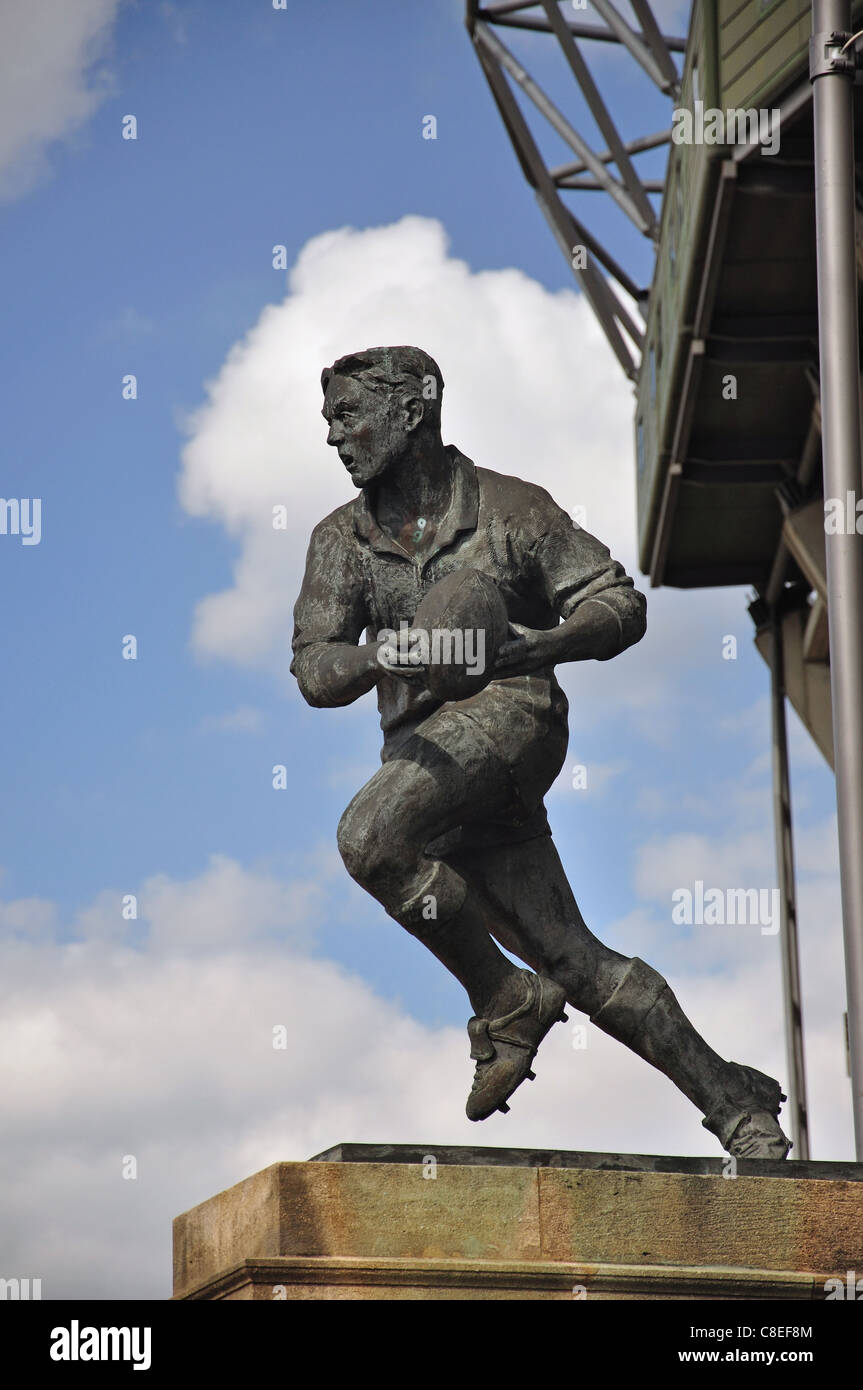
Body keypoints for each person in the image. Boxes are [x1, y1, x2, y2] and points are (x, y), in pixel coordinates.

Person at [291, 345, 791, 1159]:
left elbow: (616, 604)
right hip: (427, 764)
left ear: (412, 411)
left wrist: (539, 646)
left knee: (369, 839)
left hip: (513, 715)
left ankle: (504, 1000)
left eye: (348, 416)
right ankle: (735, 1100)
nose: (333, 438)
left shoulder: (510, 510)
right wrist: (389, 656)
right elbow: (315, 668)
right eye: (329, 422)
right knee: (577, 961)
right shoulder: (338, 542)